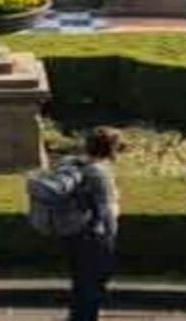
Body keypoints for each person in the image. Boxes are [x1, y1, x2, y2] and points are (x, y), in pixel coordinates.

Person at [63, 127, 122, 321]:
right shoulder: (100, 172)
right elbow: (106, 210)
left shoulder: (75, 165)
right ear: (111, 148)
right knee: (94, 283)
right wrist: (110, 238)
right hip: (96, 235)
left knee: (81, 282)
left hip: (74, 231)